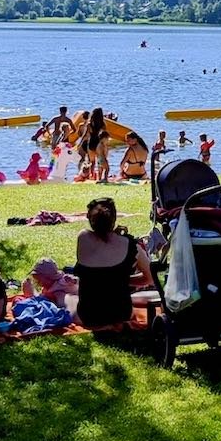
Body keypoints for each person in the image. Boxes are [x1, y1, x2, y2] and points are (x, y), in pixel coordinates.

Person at [74, 197, 152, 329]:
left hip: (90, 315)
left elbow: (102, 243)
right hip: (121, 313)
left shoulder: (83, 238)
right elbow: (149, 278)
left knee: (69, 297)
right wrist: (119, 280)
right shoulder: (132, 246)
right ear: (114, 219)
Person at [82, 107, 111, 181]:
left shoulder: (89, 124)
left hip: (91, 143)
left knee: (92, 162)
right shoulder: (103, 124)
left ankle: (91, 176)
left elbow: (86, 135)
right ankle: (99, 177)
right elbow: (103, 135)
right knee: (100, 162)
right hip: (99, 144)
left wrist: (80, 144)